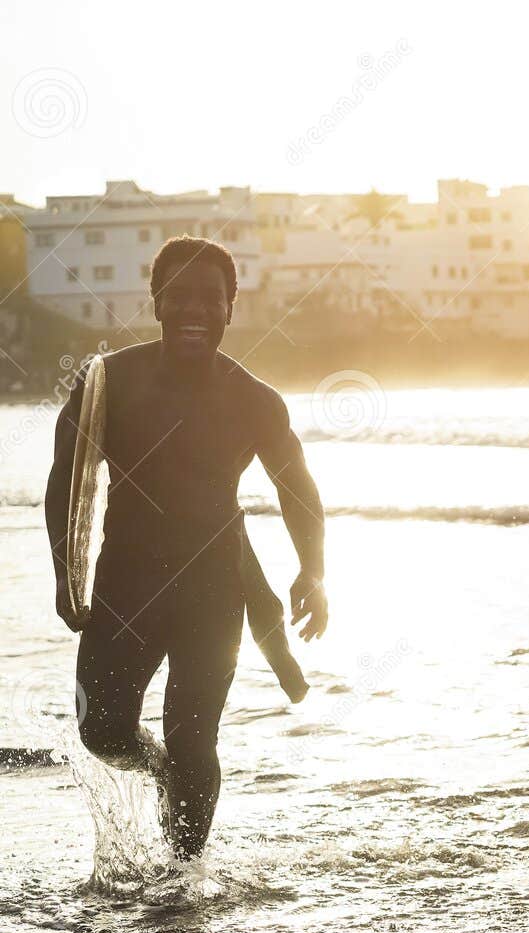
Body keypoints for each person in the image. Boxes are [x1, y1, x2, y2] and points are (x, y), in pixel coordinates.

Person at [44, 236, 329, 859]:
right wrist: (67, 574)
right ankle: (160, 770)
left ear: (230, 309)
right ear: (157, 303)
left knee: (196, 745)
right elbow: (67, 478)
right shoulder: (107, 384)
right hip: (125, 587)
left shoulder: (253, 399)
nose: (195, 309)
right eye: (180, 296)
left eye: (212, 298)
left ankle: (181, 879)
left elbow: (296, 487)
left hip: (213, 593)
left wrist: (313, 571)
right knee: (101, 729)